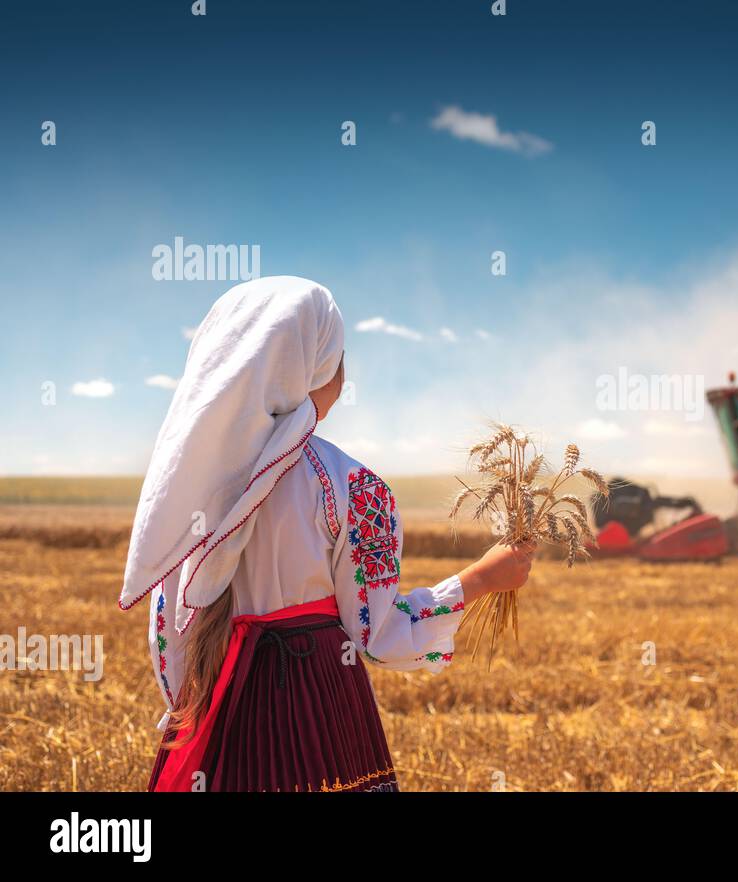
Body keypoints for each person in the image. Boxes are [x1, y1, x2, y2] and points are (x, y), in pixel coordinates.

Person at [117, 276, 534, 792]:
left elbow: (169, 638)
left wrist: (194, 715)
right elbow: (379, 638)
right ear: (317, 367)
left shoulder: (183, 489)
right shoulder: (352, 487)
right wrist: (478, 579)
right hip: (319, 713)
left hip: (214, 713)